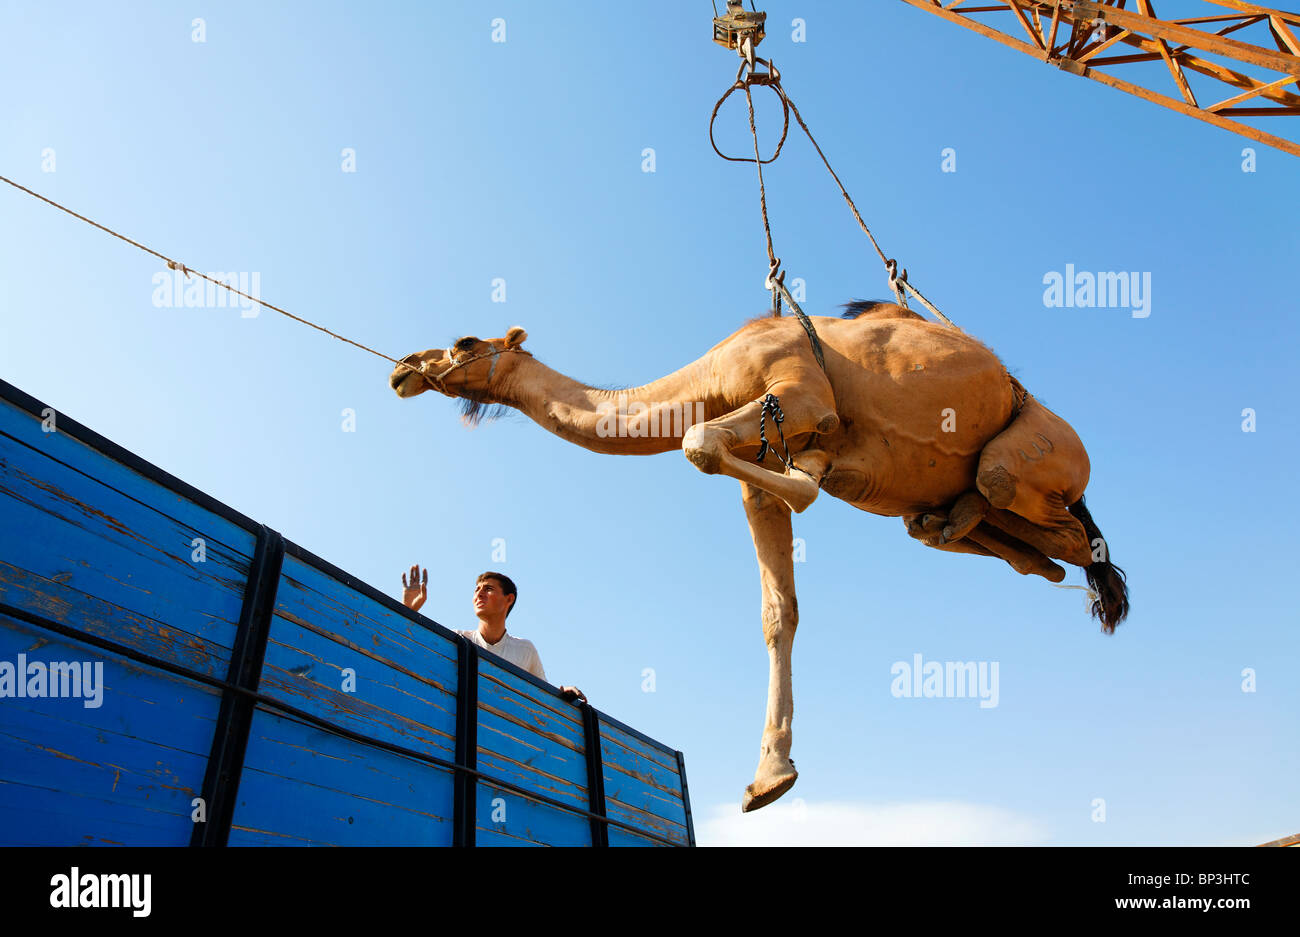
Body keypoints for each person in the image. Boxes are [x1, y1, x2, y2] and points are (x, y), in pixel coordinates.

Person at [401, 565, 586, 703]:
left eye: (488, 589)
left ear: (509, 599)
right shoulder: (457, 640)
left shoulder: (525, 650)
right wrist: (408, 610)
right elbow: (412, 655)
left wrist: (563, 693)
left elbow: (544, 697)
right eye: (476, 589)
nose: (479, 594)